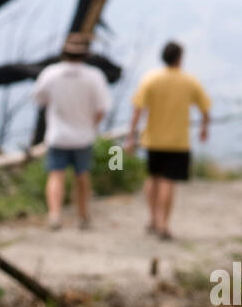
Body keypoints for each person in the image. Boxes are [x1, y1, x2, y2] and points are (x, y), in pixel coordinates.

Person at [126, 41, 211, 240]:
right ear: (180, 58)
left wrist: (131, 135)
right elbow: (205, 109)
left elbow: (137, 110)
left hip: (153, 139)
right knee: (168, 182)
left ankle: (153, 218)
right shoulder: (189, 81)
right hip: (178, 141)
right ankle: (164, 224)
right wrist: (204, 129)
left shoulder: (150, 79)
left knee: (153, 178)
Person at [31, 32, 111, 231]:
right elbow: (102, 109)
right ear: (85, 54)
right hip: (83, 135)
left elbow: (38, 99)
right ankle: (83, 216)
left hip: (57, 134)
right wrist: (91, 125)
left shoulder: (50, 73)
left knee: (56, 175)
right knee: (82, 176)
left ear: (64, 52)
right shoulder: (94, 76)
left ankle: (55, 215)